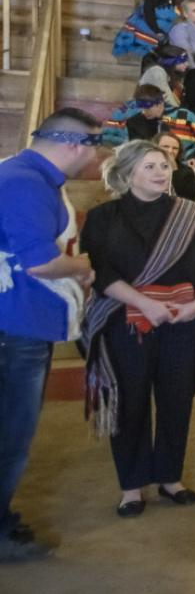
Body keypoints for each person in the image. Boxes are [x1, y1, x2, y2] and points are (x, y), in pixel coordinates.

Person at [80, 140, 195, 518]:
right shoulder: (103, 217)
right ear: (127, 174)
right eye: (150, 166)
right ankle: (131, 486)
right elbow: (102, 273)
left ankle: (170, 478)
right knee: (130, 404)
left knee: (177, 402)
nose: (161, 172)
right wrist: (146, 304)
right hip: (126, 322)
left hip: (182, 322)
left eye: (164, 165)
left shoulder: (191, 214)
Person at [0, 111, 101, 559]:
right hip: (15, 325)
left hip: (18, 321)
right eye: (95, 144)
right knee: (10, 433)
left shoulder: (21, 173)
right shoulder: (26, 182)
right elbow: (40, 261)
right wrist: (84, 267)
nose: (97, 154)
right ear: (76, 144)